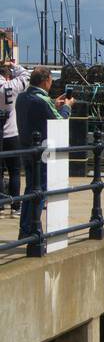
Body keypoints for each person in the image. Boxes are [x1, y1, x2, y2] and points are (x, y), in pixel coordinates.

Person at [15, 67, 73, 245]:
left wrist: (52, 104)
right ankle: (34, 229)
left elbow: (39, 114)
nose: (51, 84)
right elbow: (60, 121)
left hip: (25, 148)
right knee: (40, 190)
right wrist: (67, 108)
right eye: (51, 81)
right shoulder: (42, 101)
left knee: (29, 190)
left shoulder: (21, 97)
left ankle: (25, 229)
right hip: (43, 151)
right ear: (45, 80)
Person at [1, 58, 31, 217]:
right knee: (14, 172)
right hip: (12, 134)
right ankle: (15, 207)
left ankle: (0, 206)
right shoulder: (11, 86)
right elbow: (27, 76)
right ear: (7, 76)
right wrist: (15, 66)